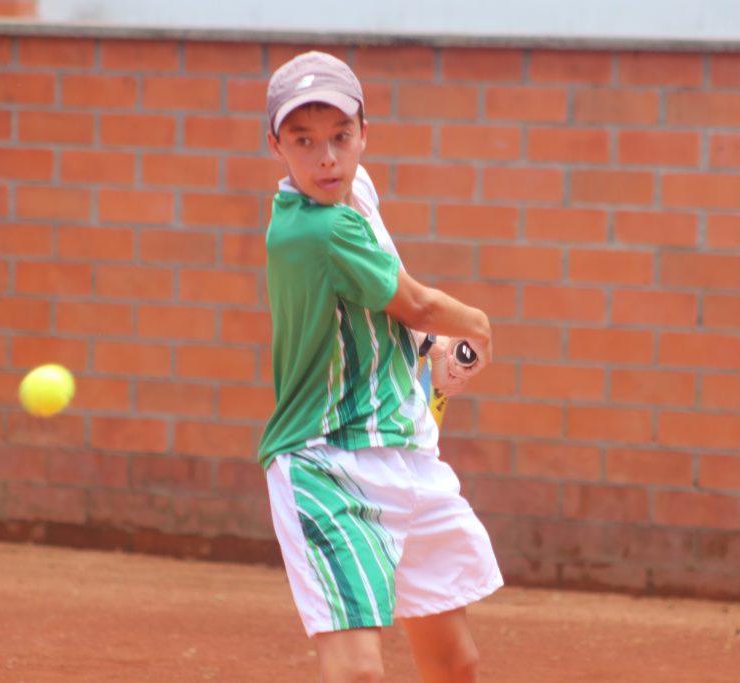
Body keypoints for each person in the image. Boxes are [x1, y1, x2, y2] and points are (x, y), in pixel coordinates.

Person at [259, 51, 503, 683]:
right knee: (359, 673)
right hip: (327, 463)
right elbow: (417, 300)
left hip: (405, 453)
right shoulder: (316, 229)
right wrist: (474, 327)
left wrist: (428, 349)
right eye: (303, 141)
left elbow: (389, 303)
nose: (327, 159)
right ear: (275, 146)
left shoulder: (356, 194)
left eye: (341, 137)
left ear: (364, 133)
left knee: (454, 665)